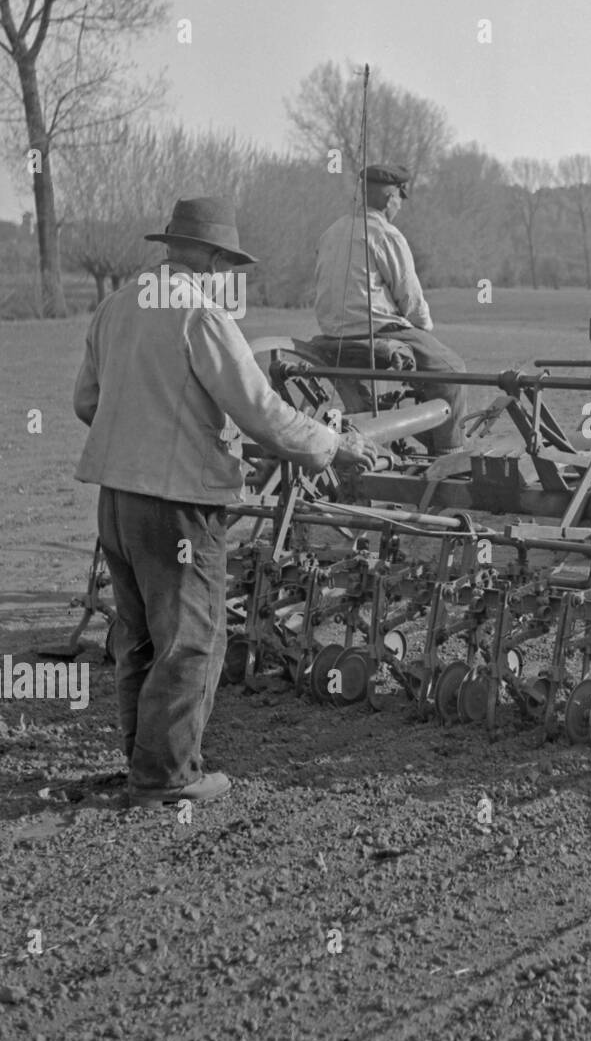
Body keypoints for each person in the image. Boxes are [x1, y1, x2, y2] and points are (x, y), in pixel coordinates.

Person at [73, 197, 378, 809]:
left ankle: (143, 761)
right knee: (192, 640)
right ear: (213, 258)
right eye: (227, 265)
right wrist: (332, 447)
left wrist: (154, 427)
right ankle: (168, 777)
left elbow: (88, 402)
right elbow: (261, 411)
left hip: (115, 500)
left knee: (139, 637)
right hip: (178, 506)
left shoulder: (116, 306)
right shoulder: (201, 314)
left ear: (171, 248)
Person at [313, 163, 467, 452]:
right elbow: (410, 298)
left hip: (332, 333)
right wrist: (424, 330)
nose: (399, 206)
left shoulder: (331, 232)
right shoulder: (386, 234)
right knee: (452, 369)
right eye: (399, 198)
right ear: (389, 198)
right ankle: (450, 453)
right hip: (377, 328)